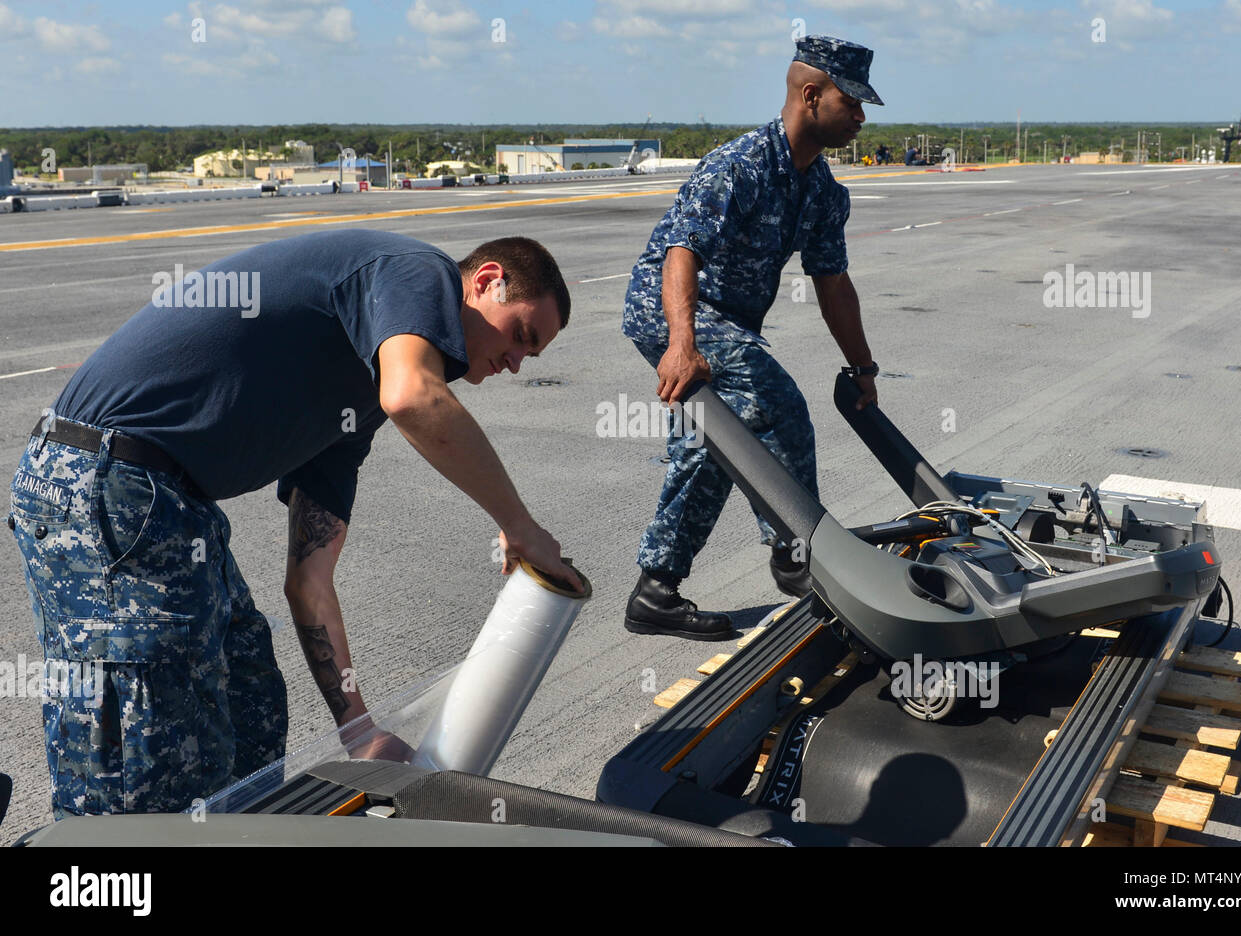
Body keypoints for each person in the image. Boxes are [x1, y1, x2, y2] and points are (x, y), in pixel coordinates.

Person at [7, 229, 581, 818]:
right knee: (147, 746)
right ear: (485, 282)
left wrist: (359, 731)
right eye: (519, 336)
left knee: (248, 695)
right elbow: (413, 395)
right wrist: (519, 524)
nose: (514, 363)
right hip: (101, 478)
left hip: (168, 503)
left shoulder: (351, 410)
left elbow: (310, 582)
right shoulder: (417, 270)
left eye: (529, 357)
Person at [621, 35, 884, 640]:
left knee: (714, 447)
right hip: (671, 311)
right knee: (774, 401)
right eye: (853, 102)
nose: (861, 117)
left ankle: (655, 592)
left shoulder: (821, 190)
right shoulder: (739, 165)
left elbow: (833, 283)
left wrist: (864, 365)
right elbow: (680, 253)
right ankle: (800, 556)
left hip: (725, 323)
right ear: (811, 95)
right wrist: (682, 344)